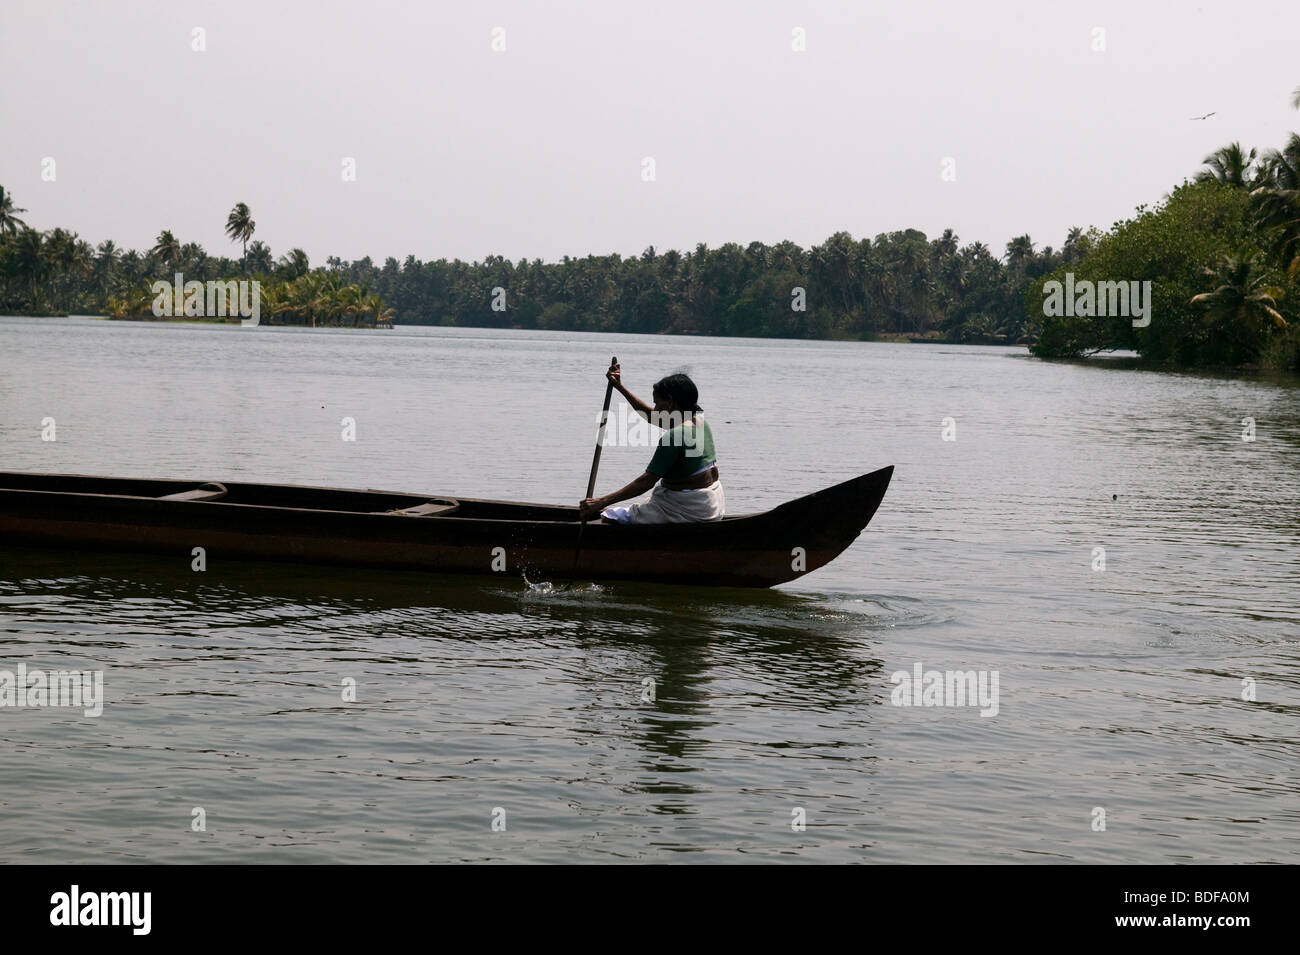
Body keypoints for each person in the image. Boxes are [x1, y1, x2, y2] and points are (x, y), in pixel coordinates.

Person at [578, 363, 725, 524]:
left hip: (687, 509)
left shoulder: (675, 435)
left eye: (657, 403)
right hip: (711, 504)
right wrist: (619, 387)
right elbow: (652, 416)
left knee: (609, 518)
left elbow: (646, 481)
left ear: (670, 401)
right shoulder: (699, 422)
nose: (655, 408)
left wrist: (601, 502)